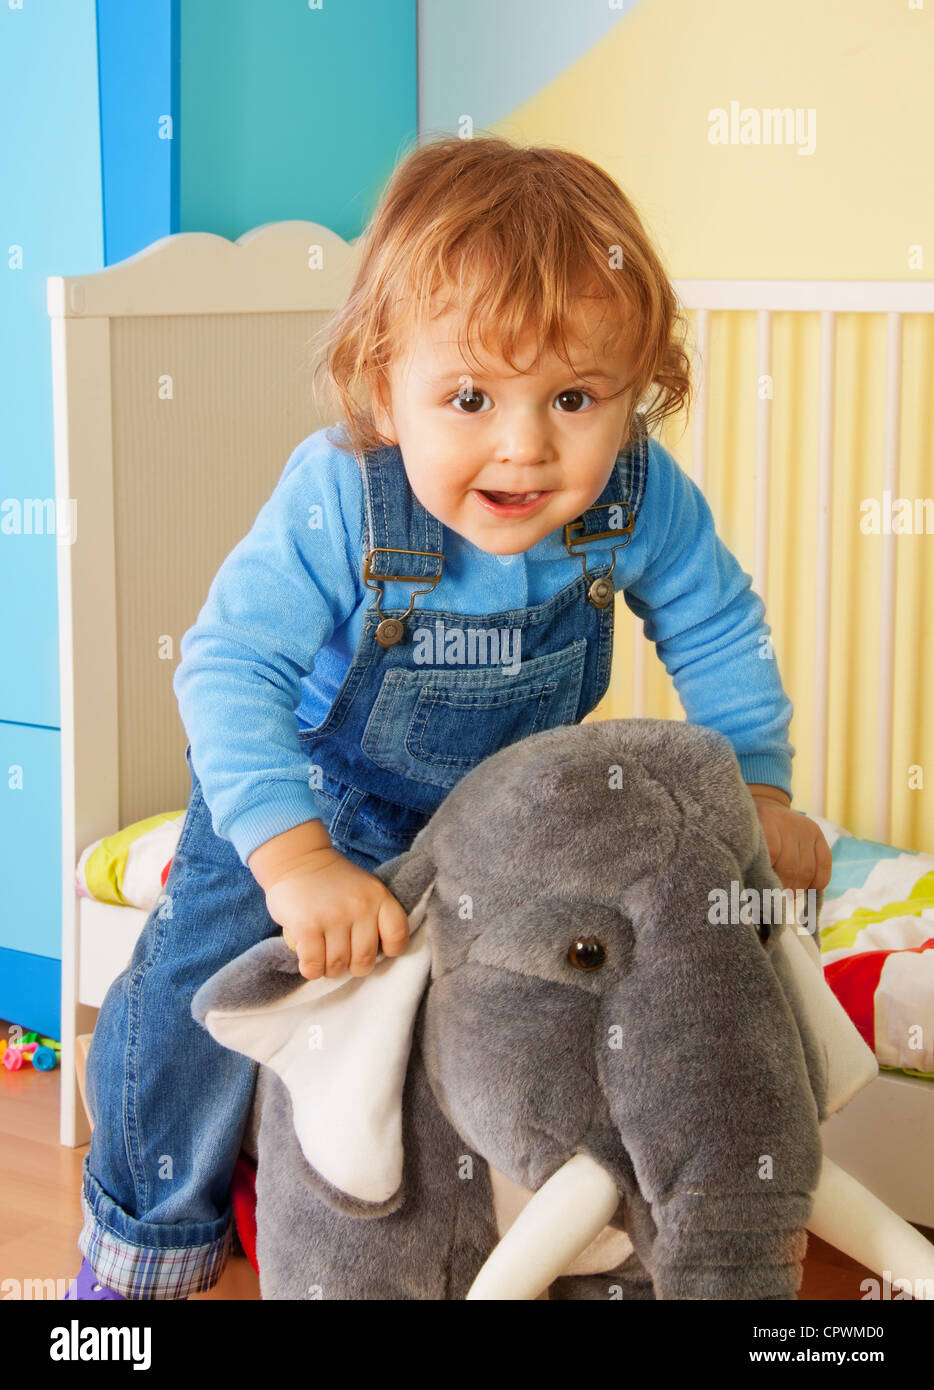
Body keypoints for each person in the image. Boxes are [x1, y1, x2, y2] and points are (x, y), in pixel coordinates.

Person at [66, 134, 831, 1300]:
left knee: (638, 966)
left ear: (637, 390)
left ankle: (526, 1235)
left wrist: (760, 794)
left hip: (506, 824)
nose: (524, 444)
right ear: (384, 384)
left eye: (575, 397)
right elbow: (227, 667)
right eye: (469, 396)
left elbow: (717, 627)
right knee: (197, 986)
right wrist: (295, 861)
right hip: (310, 802)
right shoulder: (339, 495)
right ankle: (145, 1251)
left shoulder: (636, 496)